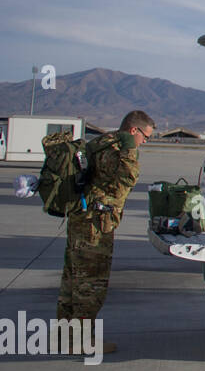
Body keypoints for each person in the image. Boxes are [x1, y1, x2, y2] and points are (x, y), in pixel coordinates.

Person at [56, 110, 154, 354]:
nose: (145, 142)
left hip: (82, 219)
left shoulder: (99, 143)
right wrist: (130, 149)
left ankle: (64, 338)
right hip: (95, 226)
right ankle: (79, 342)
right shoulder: (115, 151)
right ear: (133, 131)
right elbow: (129, 177)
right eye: (145, 137)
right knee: (90, 285)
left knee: (72, 280)